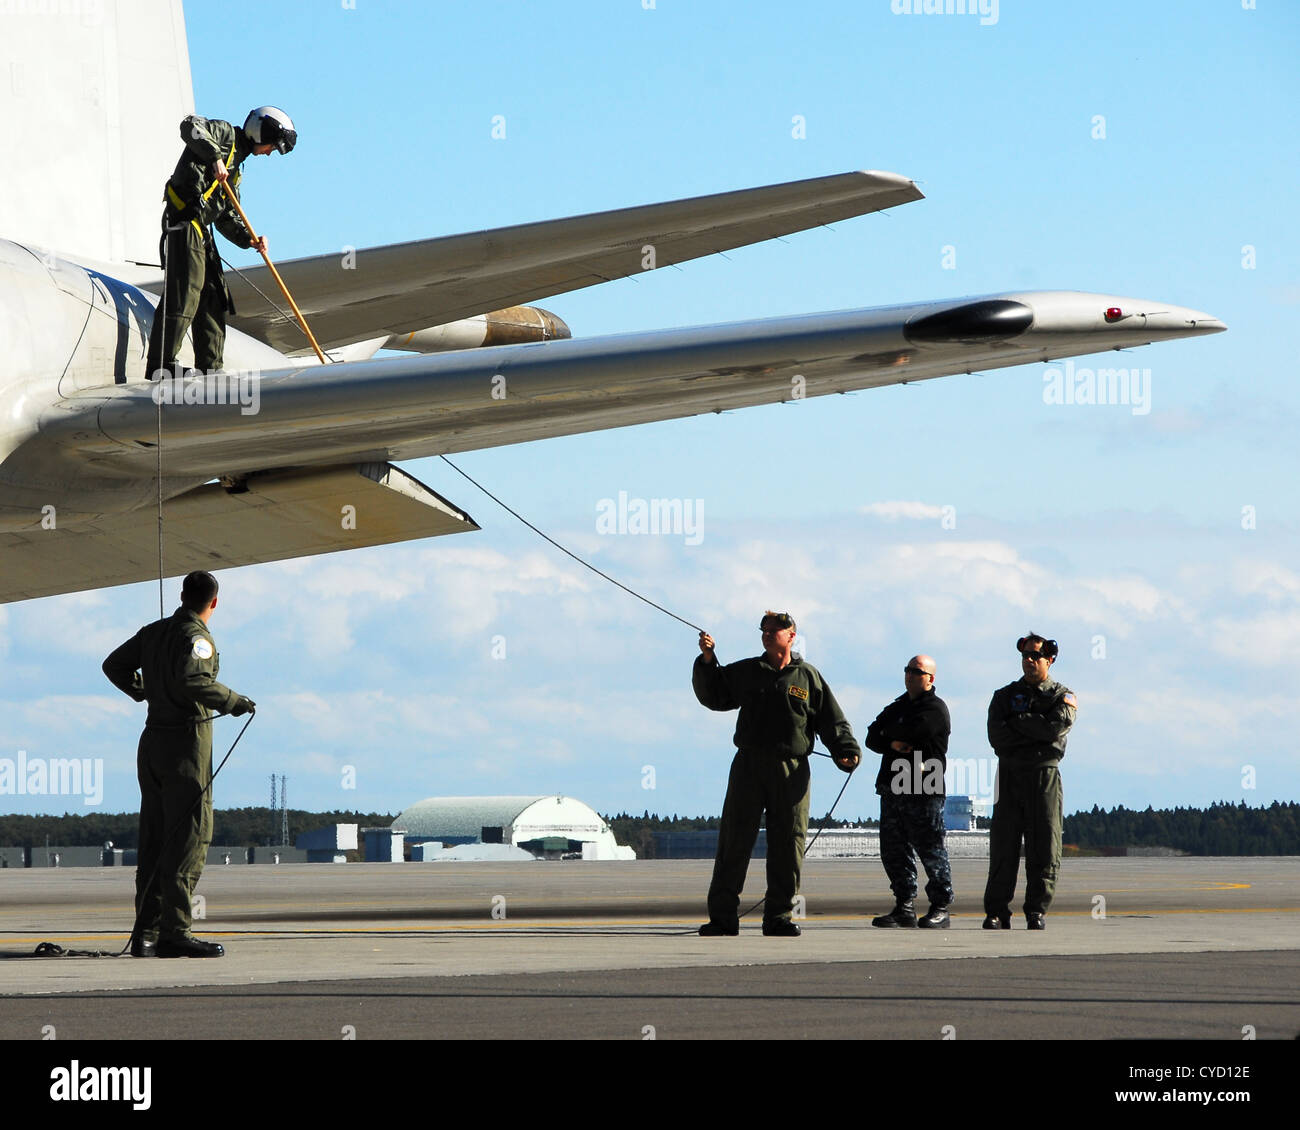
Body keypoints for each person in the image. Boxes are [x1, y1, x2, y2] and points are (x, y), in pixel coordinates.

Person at [102, 571, 255, 957]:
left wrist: (144, 691)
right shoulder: (197, 638)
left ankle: (146, 933)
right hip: (185, 743)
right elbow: (192, 680)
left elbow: (113, 665)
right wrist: (233, 700)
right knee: (189, 835)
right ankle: (175, 932)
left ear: (183, 595)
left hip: (152, 740)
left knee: (154, 836)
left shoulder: (153, 632)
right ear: (213, 603)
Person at [693, 611, 860, 937]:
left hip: (792, 770)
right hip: (749, 767)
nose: (768, 635)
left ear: (791, 636)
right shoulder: (748, 672)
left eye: (775, 631)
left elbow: (831, 719)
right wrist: (708, 659)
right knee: (734, 841)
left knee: (789, 843)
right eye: (764, 631)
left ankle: (779, 916)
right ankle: (723, 917)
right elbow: (713, 693)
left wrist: (846, 749)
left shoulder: (808, 677)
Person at [144, 106, 296, 380]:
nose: (270, 152)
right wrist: (214, 157)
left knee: (213, 294)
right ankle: (161, 365)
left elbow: (226, 216)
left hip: (202, 230)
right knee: (187, 290)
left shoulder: (236, 169)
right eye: (272, 146)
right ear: (262, 133)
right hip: (184, 221)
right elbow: (189, 126)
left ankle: (210, 369)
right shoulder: (224, 135)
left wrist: (249, 239)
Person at [983, 633, 1077, 930]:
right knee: (1003, 846)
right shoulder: (1003, 697)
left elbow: (1054, 729)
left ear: (1050, 659)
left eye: (1035, 656)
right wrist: (1031, 727)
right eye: (1025, 656)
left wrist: (1019, 722)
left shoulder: (1062, 696)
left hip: (1043, 775)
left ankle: (1036, 909)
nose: (1029, 661)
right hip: (1009, 774)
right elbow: (996, 737)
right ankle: (997, 911)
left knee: (1045, 846)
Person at [864, 654, 953, 928]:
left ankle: (940, 906)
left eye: (916, 671)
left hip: (924, 785)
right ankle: (904, 905)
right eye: (907, 670)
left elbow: (917, 732)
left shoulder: (935, 709)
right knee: (894, 848)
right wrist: (893, 743)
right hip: (893, 786)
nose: (910, 675)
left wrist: (889, 736)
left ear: (930, 678)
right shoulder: (898, 706)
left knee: (930, 848)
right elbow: (871, 737)